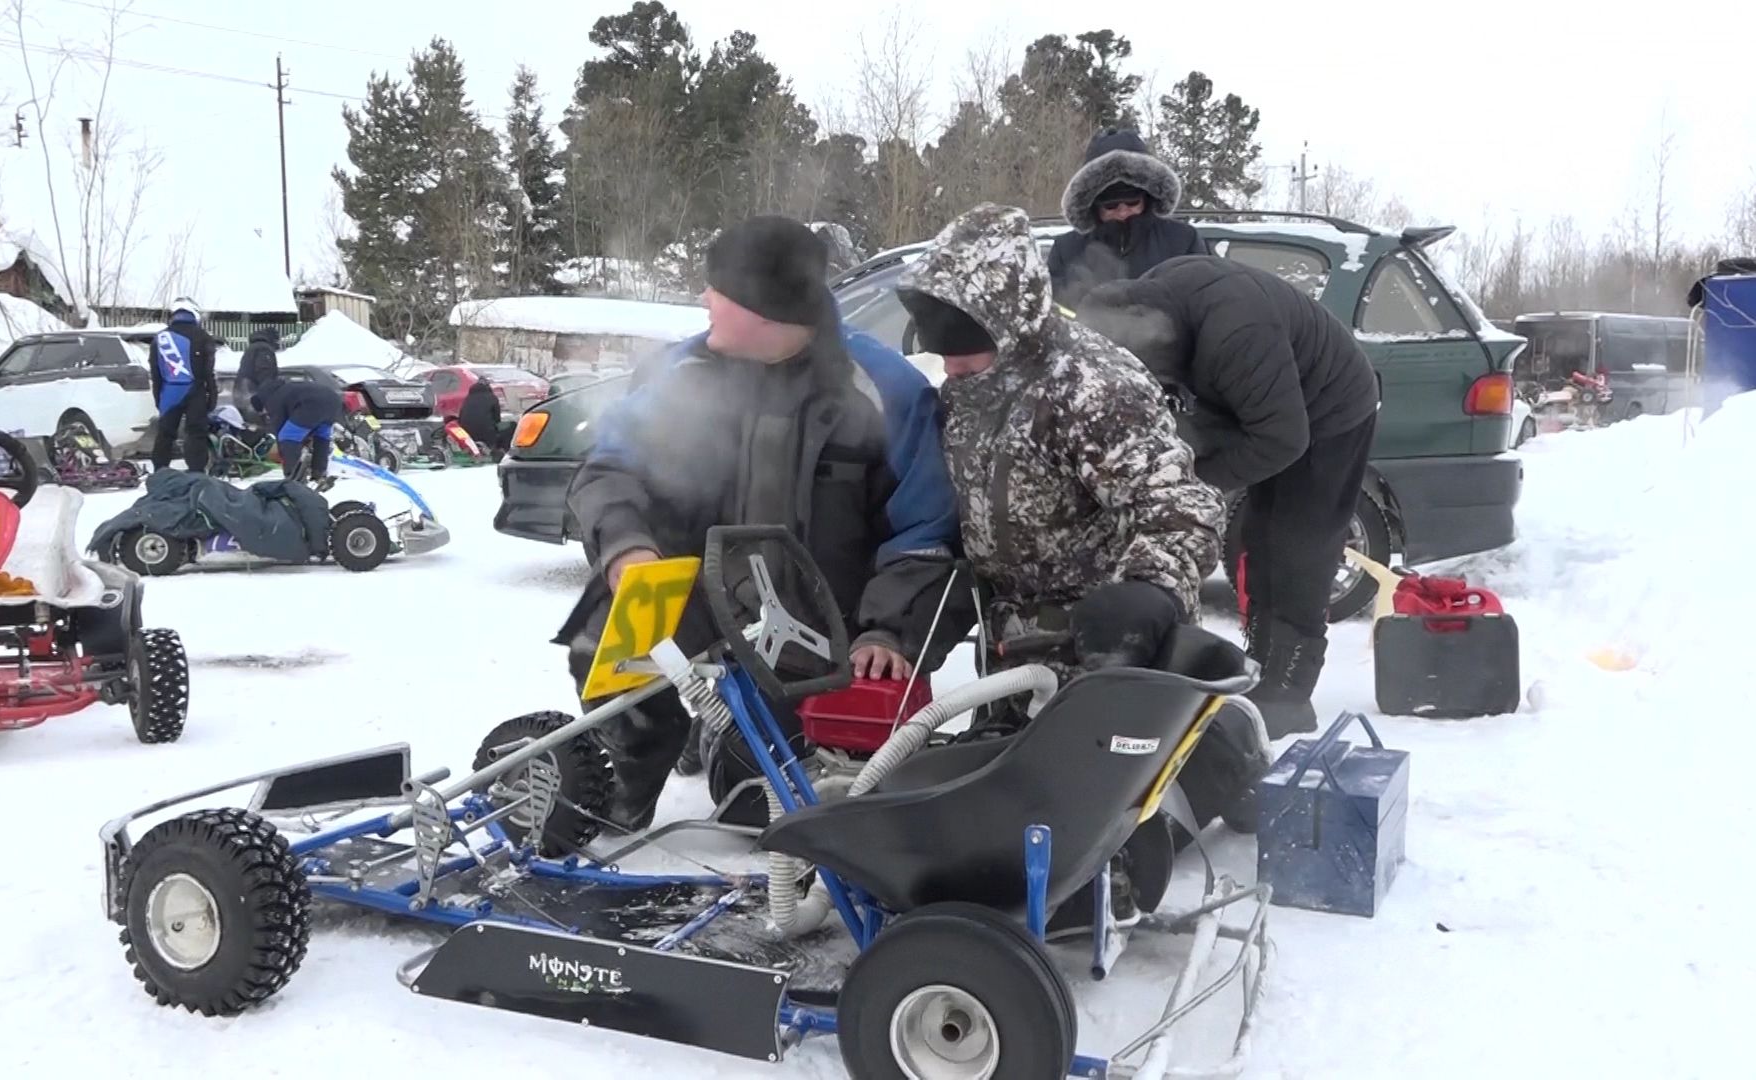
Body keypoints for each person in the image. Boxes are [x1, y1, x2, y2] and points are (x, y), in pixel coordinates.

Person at [555, 213, 963, 833]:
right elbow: (607, 470)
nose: (704, 299)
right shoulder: (682, 373)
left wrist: (887, 633)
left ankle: (732, 747)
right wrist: (627, 548)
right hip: (695, 601)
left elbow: (928, 530)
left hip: (820, 636)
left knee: (767, 815)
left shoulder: (885, 389)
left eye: (718, 289)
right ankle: (616, 803)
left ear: (765, 309)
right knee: (602, 639)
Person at [892, 203, 1263, 830]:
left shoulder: (1092, 387)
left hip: (1106, 656)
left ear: (1008, 325)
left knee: (1094, 848)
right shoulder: (967, 389)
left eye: (965, 349)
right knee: (989, 819)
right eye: (943, 351)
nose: (950, 366)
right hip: (1014, 658)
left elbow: (1178, 503)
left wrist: (1149, 590)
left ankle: (1217, 755)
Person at [1074, 255, 1381, 737]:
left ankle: (1288, 695)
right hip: (1265, 400)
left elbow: (1283, 439)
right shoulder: (1155, 297)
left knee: (1300, 547)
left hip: (1331, 408)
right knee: (1259, 540)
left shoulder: (1236, 334)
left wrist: (1199, 481)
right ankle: (1260, 668)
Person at [1047, 128, 1205, 308]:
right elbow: (1054, 310)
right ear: (1093, 205)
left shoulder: (1183, 241)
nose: (1122, 213)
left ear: (1148, 197)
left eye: (1132, 202)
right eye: (1111, 206)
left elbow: (1203, 302)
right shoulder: (1066, 250)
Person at [147, 297, 218, 472]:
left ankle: (160, 472)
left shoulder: (160, 338)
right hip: (195, 390)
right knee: (195, 433)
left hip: (169, 391)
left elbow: (155, 372)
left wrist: (158, 397)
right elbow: (208, 371)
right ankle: (196, 473)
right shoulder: (202, 336)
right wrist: (212, 396)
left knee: (165, 434)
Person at [250, 376, 344, 484]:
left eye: (264, 412)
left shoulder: (273, 400)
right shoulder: (288, 389)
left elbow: (279, 428)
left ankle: (294, 477)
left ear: (263, 403)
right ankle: (319, 472)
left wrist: (282, 453)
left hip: (313, 404)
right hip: (333, 400)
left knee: (287, 437)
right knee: (321, 437)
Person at [233, 325, 281, 425]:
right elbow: (264, 372)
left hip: (243, 391)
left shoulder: (253, 347)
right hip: (253, 392)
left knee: (248, 425)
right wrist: (267, 394)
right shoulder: (264, 349)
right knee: (259, 425)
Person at [457, 376, 503, 457]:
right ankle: (494, 452)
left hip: (467, 432)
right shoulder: (492, 398)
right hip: (486, 432)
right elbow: (497, 419)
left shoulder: (468, 398)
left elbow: (461, 417)